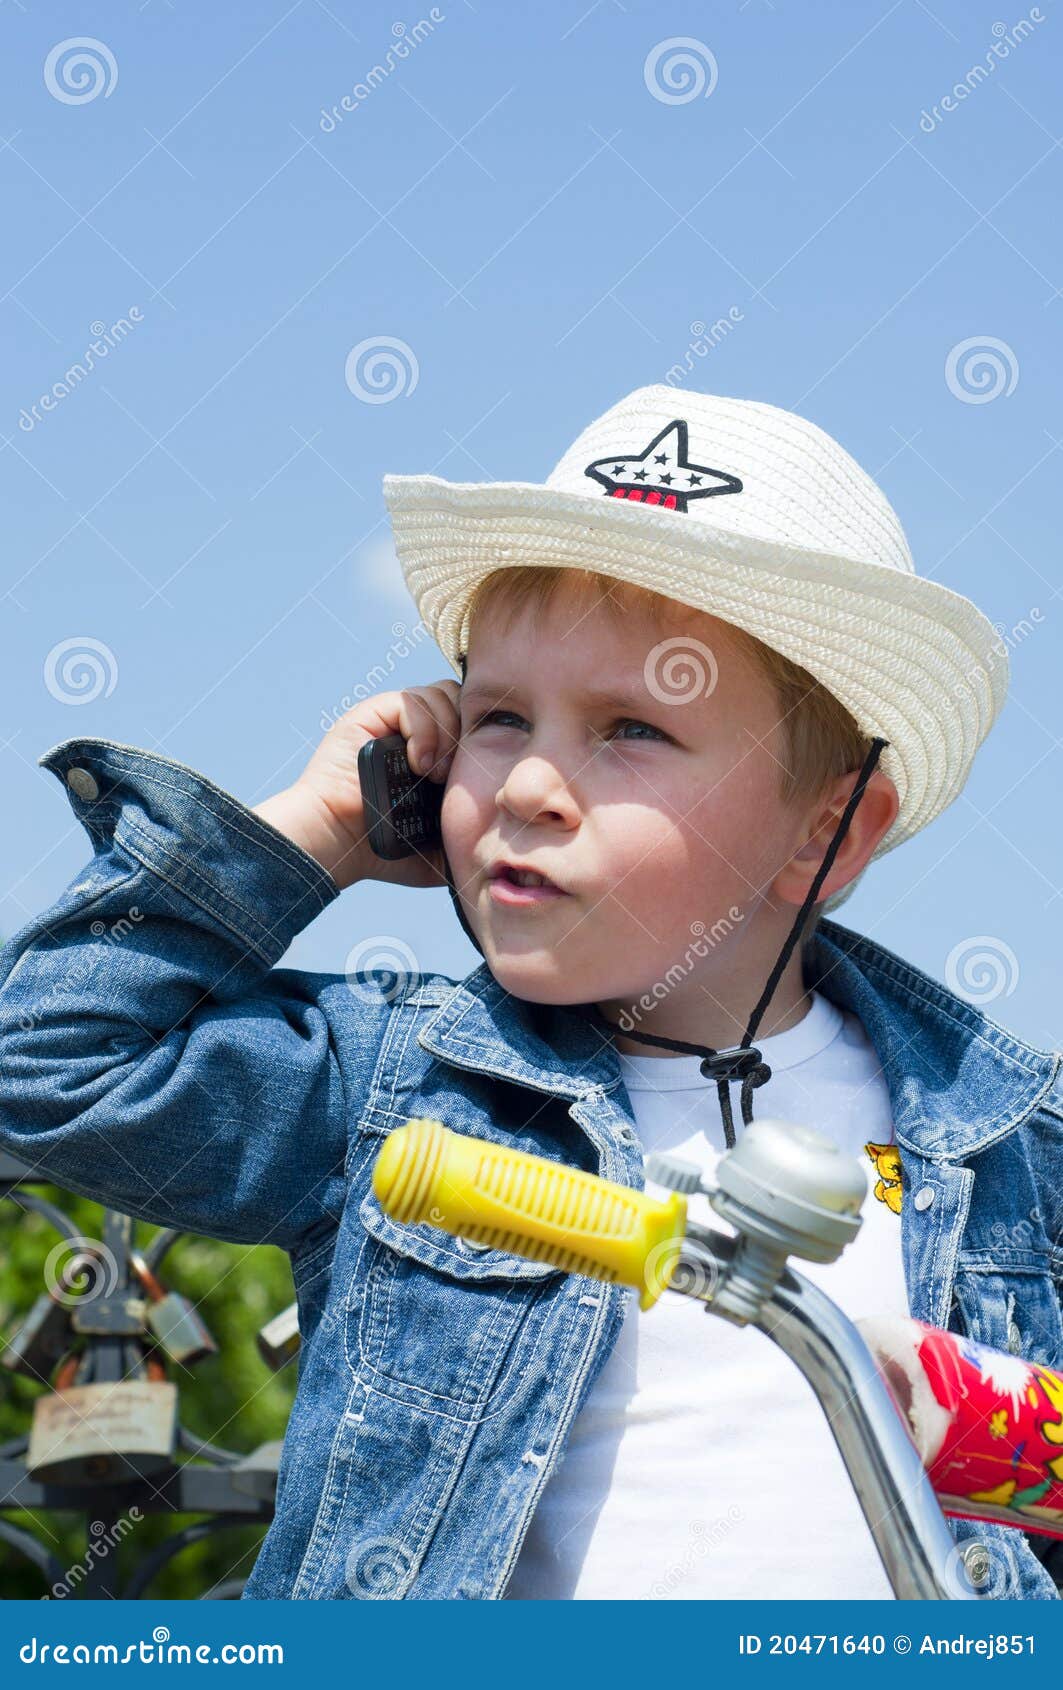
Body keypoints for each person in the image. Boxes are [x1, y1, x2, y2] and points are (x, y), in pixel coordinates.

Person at [1, 385, 1059, 1601]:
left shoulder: (1011, 1144)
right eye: (498, 715)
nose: (528, 786)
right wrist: (324, 830)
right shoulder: (398, 1087)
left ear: (829, 826)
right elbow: (46, 1062)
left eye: (631, 730)